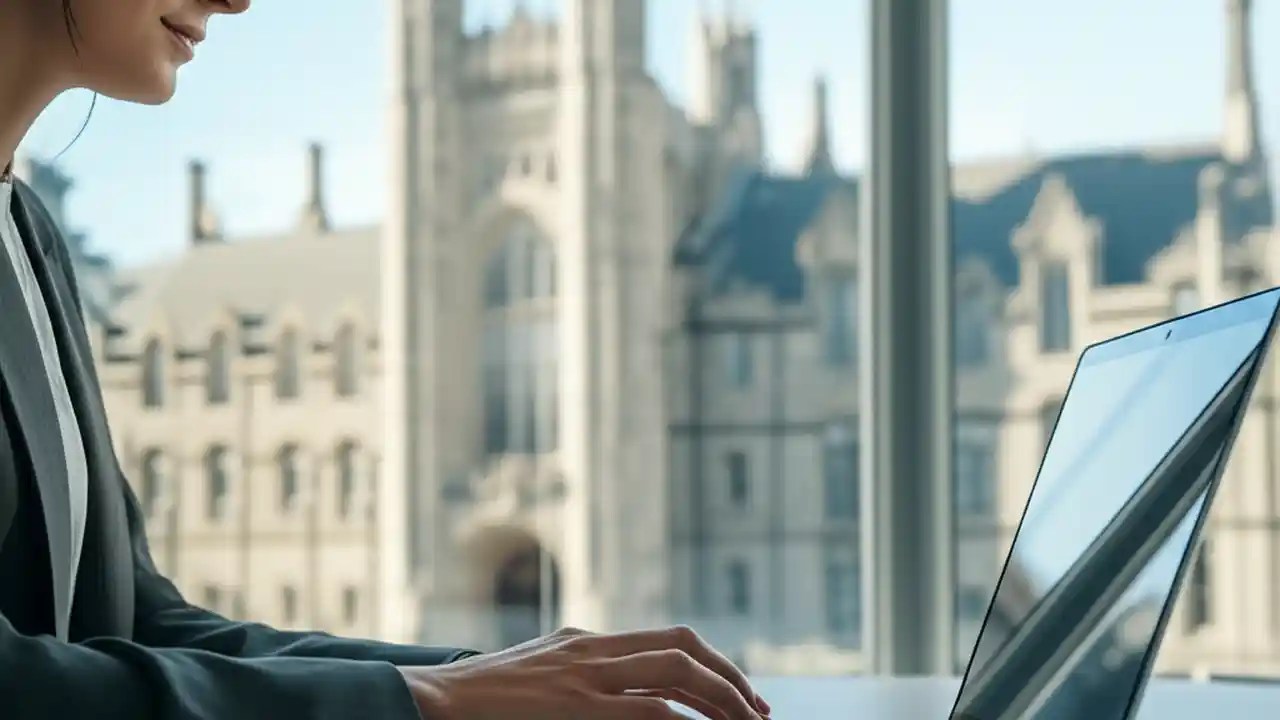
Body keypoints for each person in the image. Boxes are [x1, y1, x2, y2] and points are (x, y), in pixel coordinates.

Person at [0, 2, 773, 719]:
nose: (236, 0)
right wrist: (416, 698)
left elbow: (135, 626)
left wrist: (479, 676)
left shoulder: (30, 238)